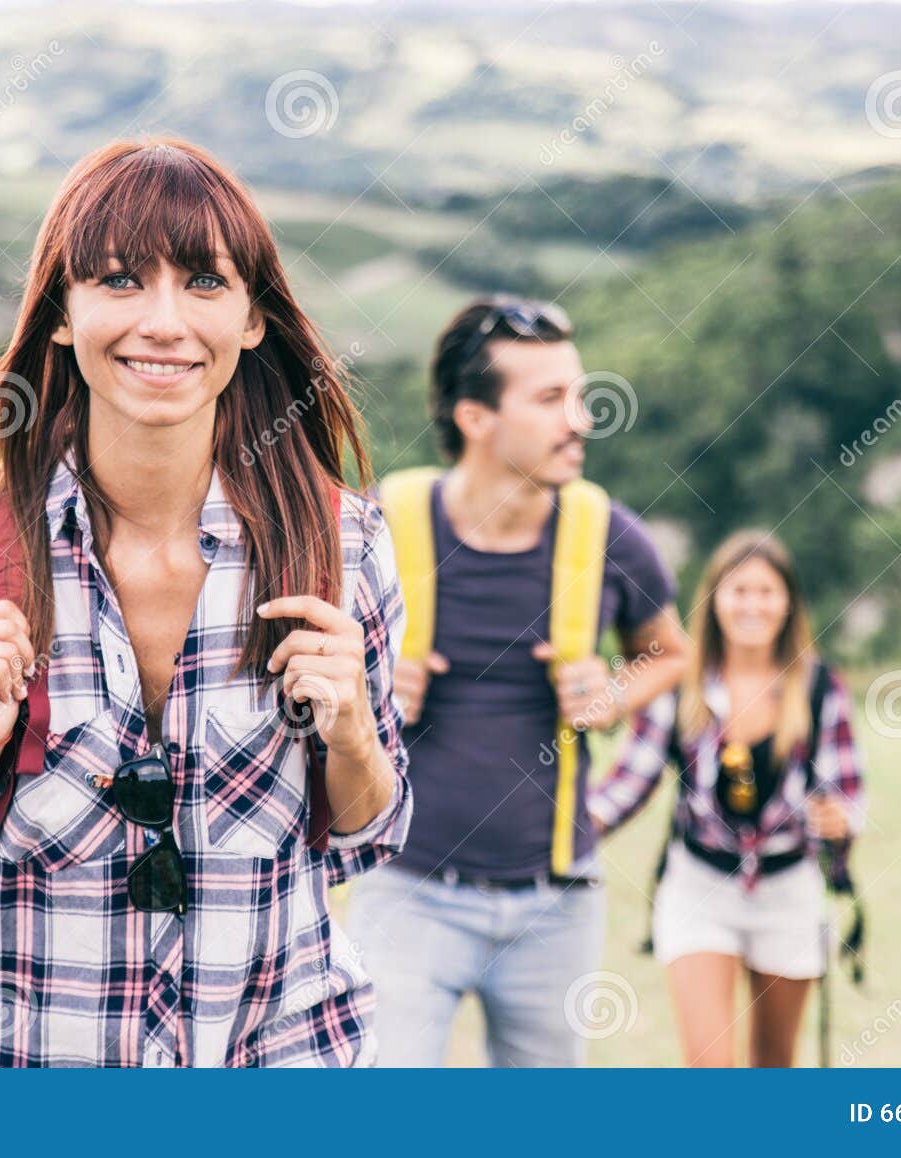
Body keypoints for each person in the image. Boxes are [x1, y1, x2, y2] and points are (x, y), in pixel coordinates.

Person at [0, 137, 412, 1067]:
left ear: (251, 320)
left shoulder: (341, 548)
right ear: (63, 314)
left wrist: (353, 730)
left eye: (204, 283)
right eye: (119, 281)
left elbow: (369, 833)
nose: (163, 322)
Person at [344, 296, 689, 1066]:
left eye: (578, 392)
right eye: (550, 399)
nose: (582, 418)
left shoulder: (608, 533)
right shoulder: (378, 526)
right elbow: (293, 662)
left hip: (556, 904)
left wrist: (612, 693)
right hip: (406, 887)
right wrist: (368, 684)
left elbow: (670, 651)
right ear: (476, 418)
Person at [590, 529, 868, 1067]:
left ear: (788, 603)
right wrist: (571, 828)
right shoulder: (680, 684)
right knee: (709, 1068)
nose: (752, 605)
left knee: (773, 1068)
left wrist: (839, 821)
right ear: (714, 600)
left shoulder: (819, 687)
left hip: (788, 887)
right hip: (700, 886)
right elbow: (630, 780)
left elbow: (845, 792)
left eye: (766, 592)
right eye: (738, 591)